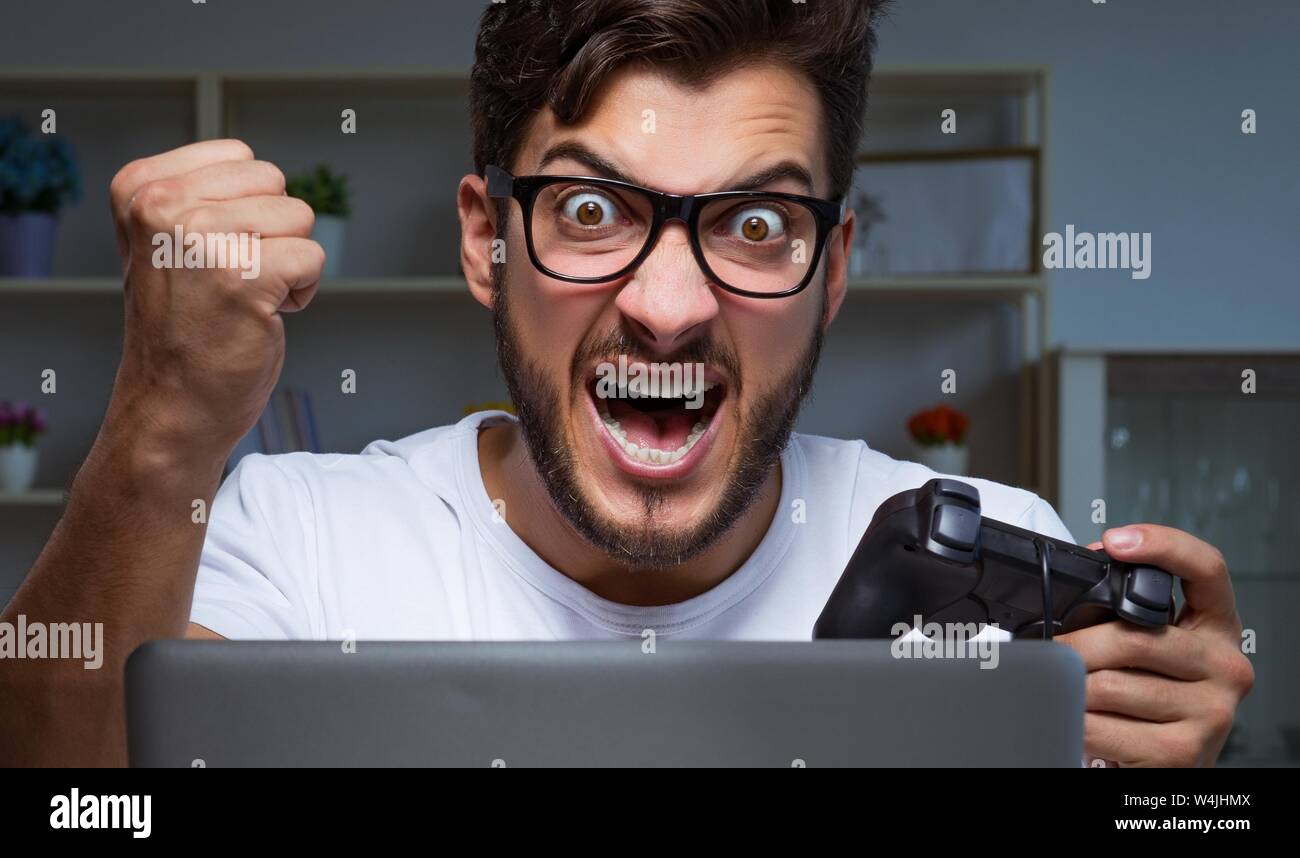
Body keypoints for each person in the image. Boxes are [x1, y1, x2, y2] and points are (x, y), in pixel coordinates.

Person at [0, 0, 1252, 767]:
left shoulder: (1003, 583)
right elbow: (71, 806)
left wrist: (1160, 800)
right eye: (593, 210)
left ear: (832, 271)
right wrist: (163, 428)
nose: (668, 303)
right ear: (487, 241)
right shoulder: (287, 542)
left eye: (757, 225)